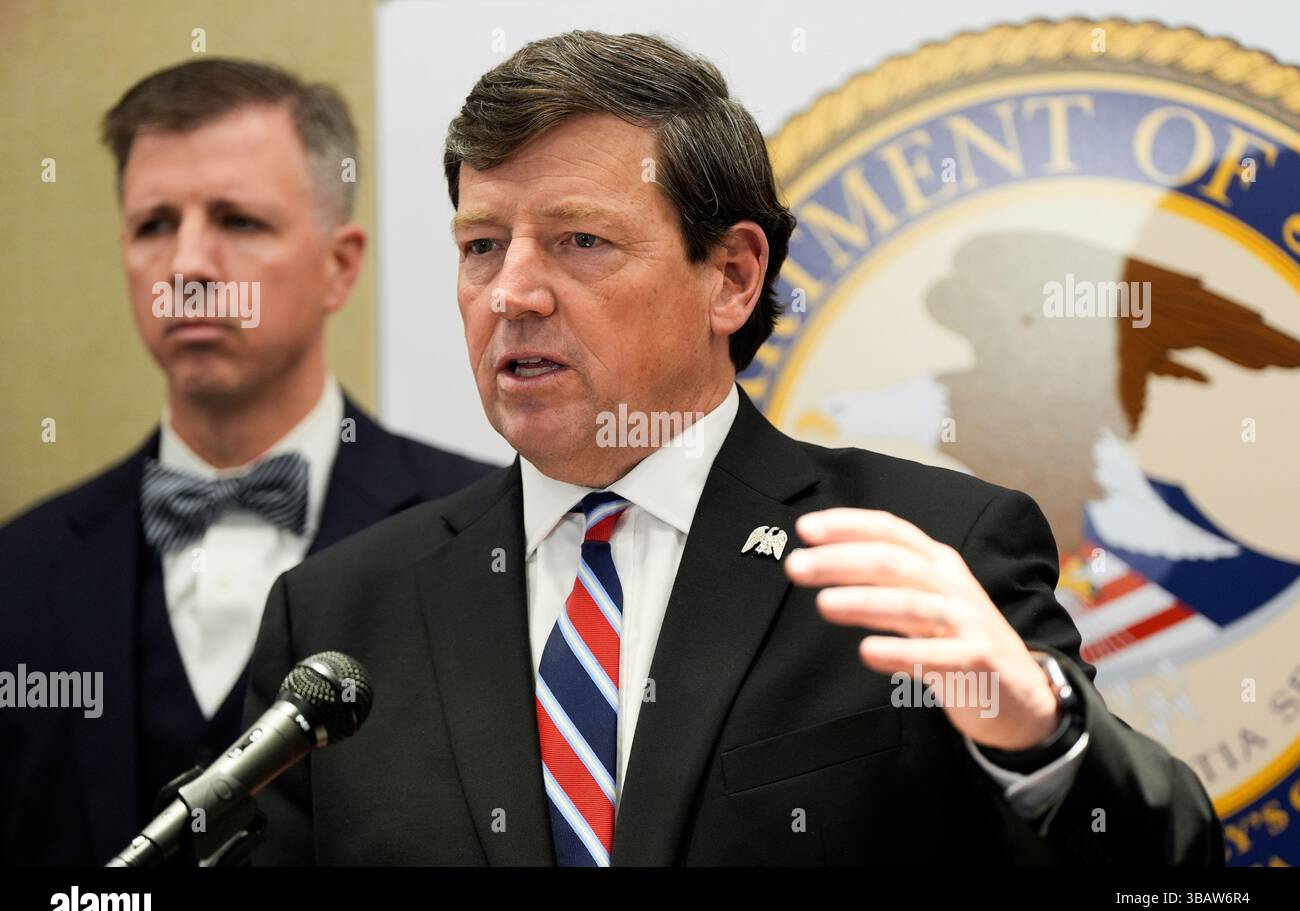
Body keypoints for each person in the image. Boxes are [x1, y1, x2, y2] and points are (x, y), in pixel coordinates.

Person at [243, 32, 1223, 865]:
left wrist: (1039, 734)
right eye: (481, 245)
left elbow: (1176, 876)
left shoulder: (928, 552)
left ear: (733, 277)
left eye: (580, 240)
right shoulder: (339, 614)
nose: (512, 293)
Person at [0, 59, 493, 865]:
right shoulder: (17, 572)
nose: (188, 267)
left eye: (237, 220)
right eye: (155, 224)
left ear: (340, 265)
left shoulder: (487, 538)